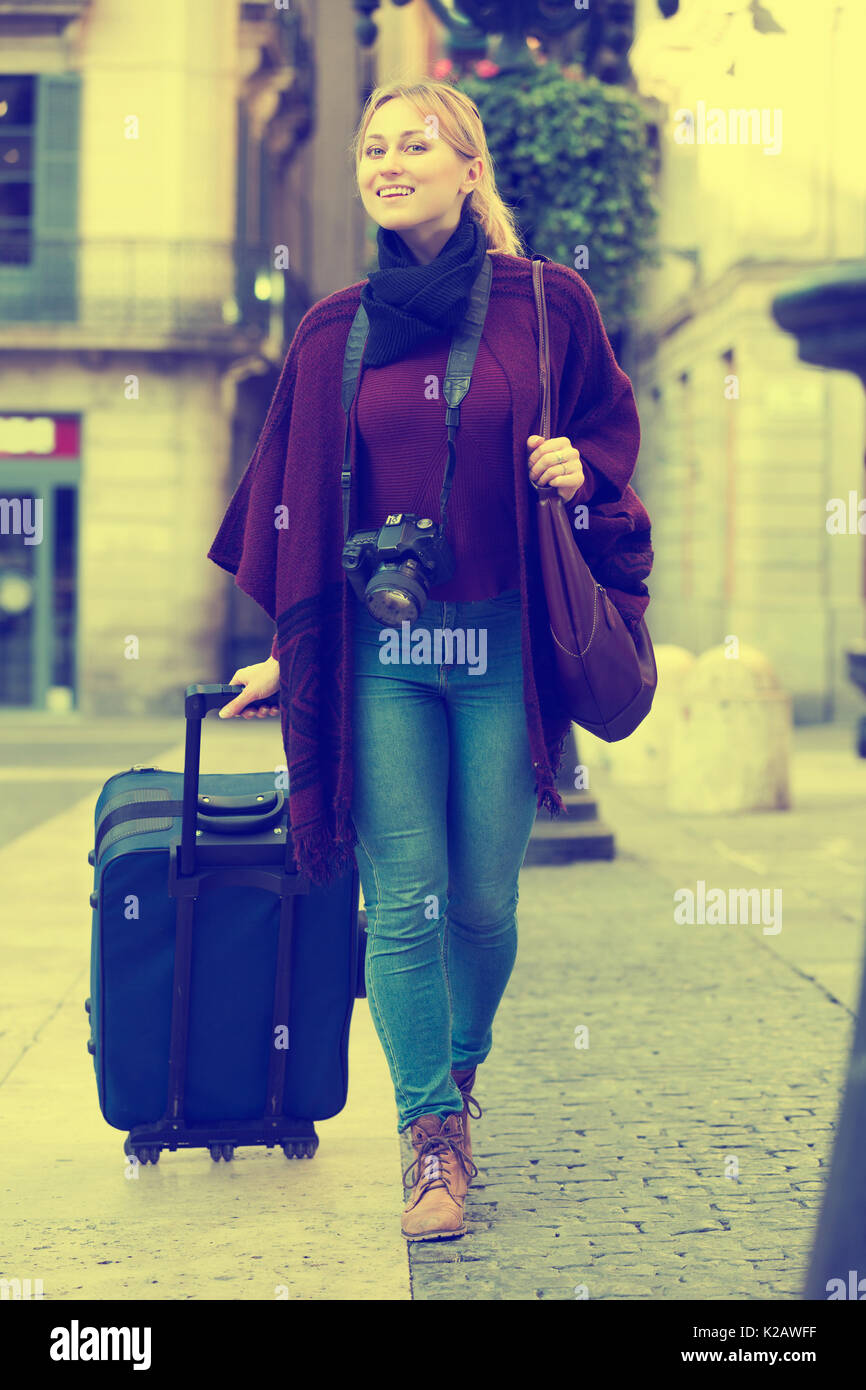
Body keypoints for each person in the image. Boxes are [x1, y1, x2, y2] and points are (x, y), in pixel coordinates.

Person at [207, 79, 652, 1243]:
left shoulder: (546, 307)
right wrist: (285, 655)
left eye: (415, 143)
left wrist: (576, 469)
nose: (388, 159)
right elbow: (293, 504)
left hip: (501, 637)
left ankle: (455, 1068)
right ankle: (429, 1137)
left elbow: (610, 427)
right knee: (398, 895)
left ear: (469, 169)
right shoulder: (330, 328)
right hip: (383, 649)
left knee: (485, 900)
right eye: (372, 146)